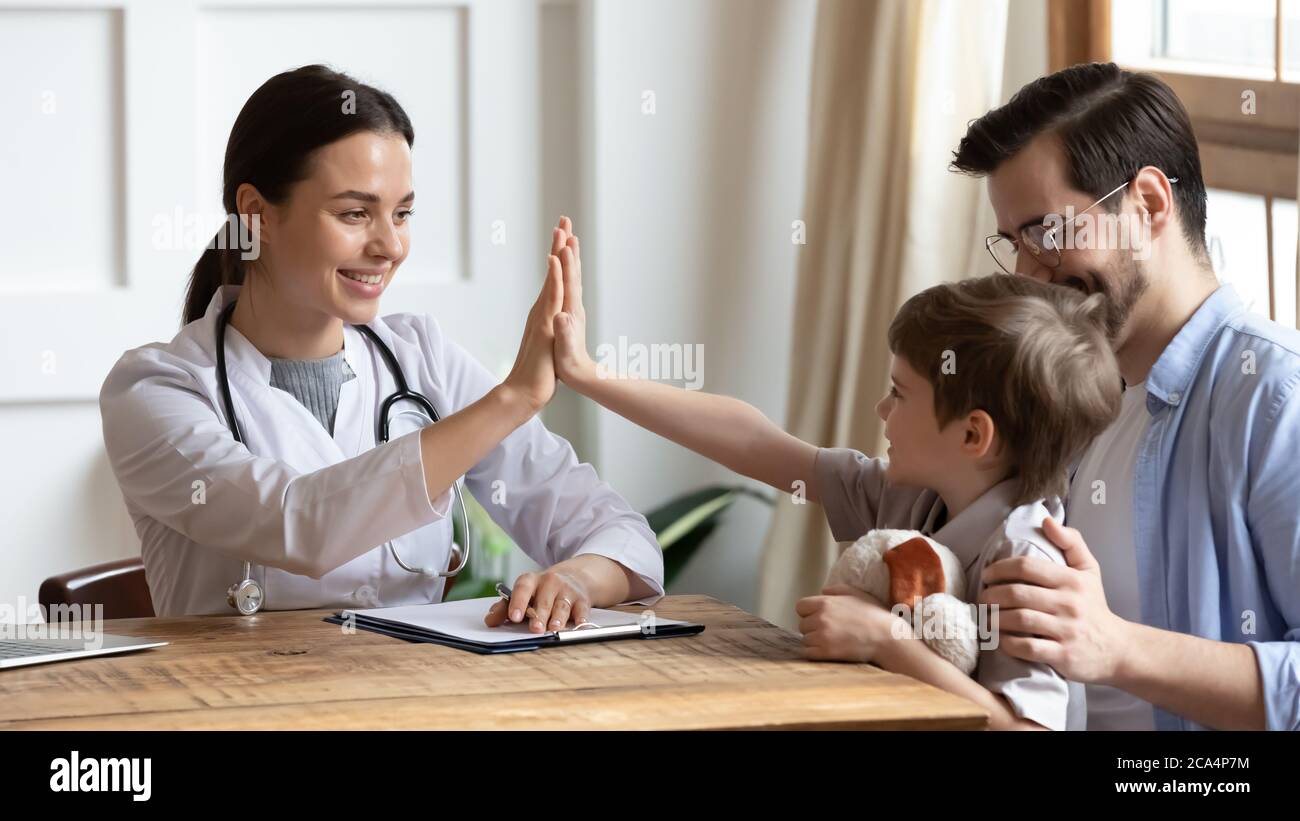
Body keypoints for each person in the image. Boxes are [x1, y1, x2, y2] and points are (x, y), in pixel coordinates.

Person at [98, 65, 663, 628]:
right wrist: (513, 398)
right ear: (256, 214)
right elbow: (298, 525)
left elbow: (621, 536)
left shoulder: (424, 360)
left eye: (402, 213)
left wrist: (576, 579)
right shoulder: (154, 390)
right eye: (354, 213)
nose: (390, 245)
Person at [542, 217, 1122, 729]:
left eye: (899, 394)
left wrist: (885, 639)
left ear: (973, 435)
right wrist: (588, 375)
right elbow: (752, 440)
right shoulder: (909, 497)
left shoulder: (1027, 562)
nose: (882, 410)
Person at [954, 62, 1300, 730]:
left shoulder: (1274, 397)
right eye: (1013, 242)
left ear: (1147, 204)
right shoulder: (1068, 396)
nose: (1029, 273)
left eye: (1048, 233)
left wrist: (1115, 647)